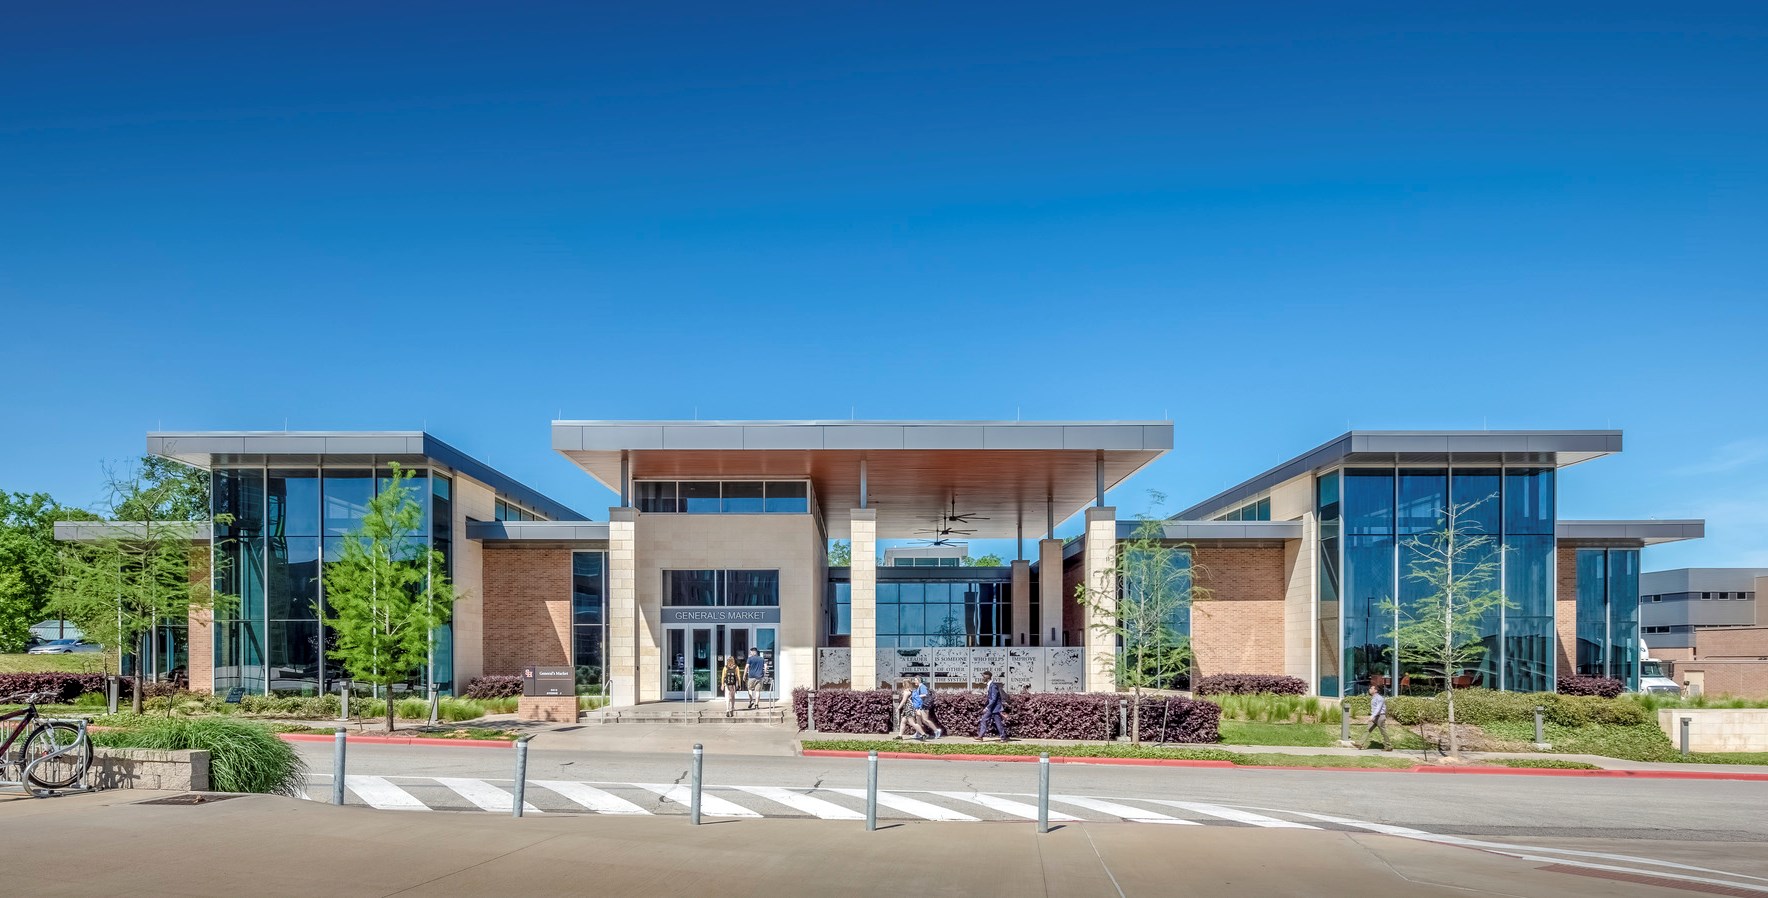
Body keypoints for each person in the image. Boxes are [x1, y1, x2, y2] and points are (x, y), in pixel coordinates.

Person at [976, 671, 1008, 742]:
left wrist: (987, 708)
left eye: (984, 676)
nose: (982, 678)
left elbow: (994, 699)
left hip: (995, 708)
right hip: (992, 707)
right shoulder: (989, 685)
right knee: (984, 719)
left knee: (998, 723)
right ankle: (981, 736)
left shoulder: (993, 686)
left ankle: (1003, 738)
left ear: (988, 676)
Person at [1361, 683, 1392, 750]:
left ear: (1376, 690)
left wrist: (1372, 716)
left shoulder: (1380, 698)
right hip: (1375, 717)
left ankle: (1388, 746)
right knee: (1368, 730)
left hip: (1380, 717)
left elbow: (1378, 708)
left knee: (1383, 732)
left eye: (1371, 688)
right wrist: (1373, 716)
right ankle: (1361, 744)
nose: (1369, 689)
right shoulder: (1373, 698)